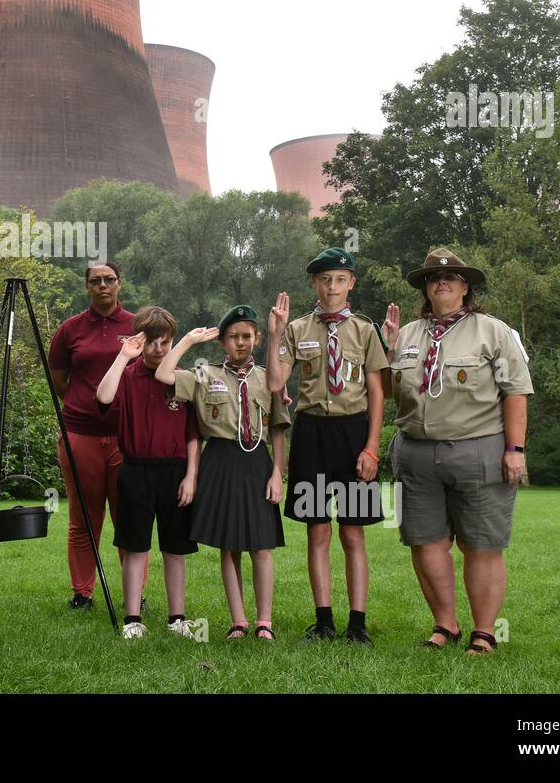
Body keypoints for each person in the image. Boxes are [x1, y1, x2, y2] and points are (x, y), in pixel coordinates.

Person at [382, 248, 532, 655]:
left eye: (451, 278)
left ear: (466, 287)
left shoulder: (493, 331)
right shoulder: (408, 334)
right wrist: (388, 352)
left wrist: (515, 449)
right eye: (433, 279)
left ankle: (483, 633)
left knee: (481, 544)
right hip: (415, 452)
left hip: (479, 448)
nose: (441, 283)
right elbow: (386, 393)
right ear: (425, 289)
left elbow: (516, 392)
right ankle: (444, 625)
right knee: (425, 541)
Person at [265, 248, 389, 645]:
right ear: (314, 284)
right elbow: (273, 383)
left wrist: (372, 448)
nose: (332, 286)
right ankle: (323, 622)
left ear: (351, 282)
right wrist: (273, 333)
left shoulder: (365, 331)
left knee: (353, 533)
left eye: (340, 279)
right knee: (317, 531)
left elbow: (377, 394)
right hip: (312, 433)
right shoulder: (297, 329)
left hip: (353, 434)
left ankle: (357, 623)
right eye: (324, 279)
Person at [156, 306, 291, 641]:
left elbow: (278, 429)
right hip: (219, 459)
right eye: (233, 337)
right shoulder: (206, 374)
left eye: (246, 336)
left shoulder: (268, 377)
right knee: (229, 545)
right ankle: (238, 621)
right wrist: (188, 341)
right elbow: (163, 374)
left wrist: (277, 473)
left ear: (257, 340)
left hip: (257, 461)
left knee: (261, 545)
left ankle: (264, 621)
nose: (240, 343)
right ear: (223, 342)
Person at [94, 306, 201, 640]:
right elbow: (102, 398)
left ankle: (177, 617)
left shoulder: (182, 378)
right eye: (151, 342)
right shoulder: (127, 375)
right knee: (136, 546)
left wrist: (191, 476)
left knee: (175, 548)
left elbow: (194, 434)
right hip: (135, 470)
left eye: (165, 342)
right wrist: (123, 356)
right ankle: (132, 619)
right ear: (140, 341)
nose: (158, 349)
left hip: (175, 471)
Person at [48, 262, 144, 610]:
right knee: (84, 517)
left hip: (128, 438)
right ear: (87, 287)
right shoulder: (70, 329)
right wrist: (84, 404)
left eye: (109, 280)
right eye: (95, 281)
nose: (103, 286)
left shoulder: (137, 326)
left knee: (129, 516)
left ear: (120, 284)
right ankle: (82, 592)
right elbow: (59, 379)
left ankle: (136, 594)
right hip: (80, 434)